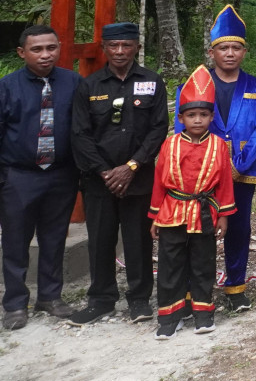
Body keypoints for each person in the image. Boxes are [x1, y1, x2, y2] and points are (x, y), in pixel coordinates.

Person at [172, 5, 256, 313]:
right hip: (200, 175)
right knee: (196, 230)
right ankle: (193, 290)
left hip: (243, 171)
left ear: (245, 51)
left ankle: (236, 286)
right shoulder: (193, 87)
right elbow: (181, 132)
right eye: (223, 47)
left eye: (236, 47)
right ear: (211, 51)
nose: (230, 53)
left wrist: (239, 162)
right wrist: (207, 164)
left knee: (239, 228)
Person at [69, 22, 168, 326]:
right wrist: (104, 172)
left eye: (127, 45)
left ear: (137, 46)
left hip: (138, 178)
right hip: (99, 181)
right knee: (100, 239)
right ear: (104, 49)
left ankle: (139, 299)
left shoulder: (152, 81)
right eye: (114, 46)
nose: (120, 51)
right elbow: (80, 134)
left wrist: (131, 167)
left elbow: (158, 129)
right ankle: (101, 299)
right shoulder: (89, 85)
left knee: (138, 240)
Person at [0, 25, 82, 329]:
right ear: (22, 53)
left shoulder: (73, 82)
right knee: (15, 240)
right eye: (37, 49)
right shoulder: (7, 87)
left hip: (61, 174)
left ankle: (50, 296)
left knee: (54, 237)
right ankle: (15, 303)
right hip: (19, 176)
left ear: (59, 48)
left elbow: (82, 128)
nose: (45, 55)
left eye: (51, 48)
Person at [150, 66, 236, 339]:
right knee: (170, 264)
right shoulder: (169, 145)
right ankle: (170, 316)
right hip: (172, 212)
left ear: (211, 116)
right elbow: (159, 182)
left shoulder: (219, 145)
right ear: (181, 117)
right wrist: (154, 216)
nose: (197, 120)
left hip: (204, 213)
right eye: (191, 115)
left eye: (203, 115)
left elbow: (224, 183)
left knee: (203, 263)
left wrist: (223, 215)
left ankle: (203, 312)